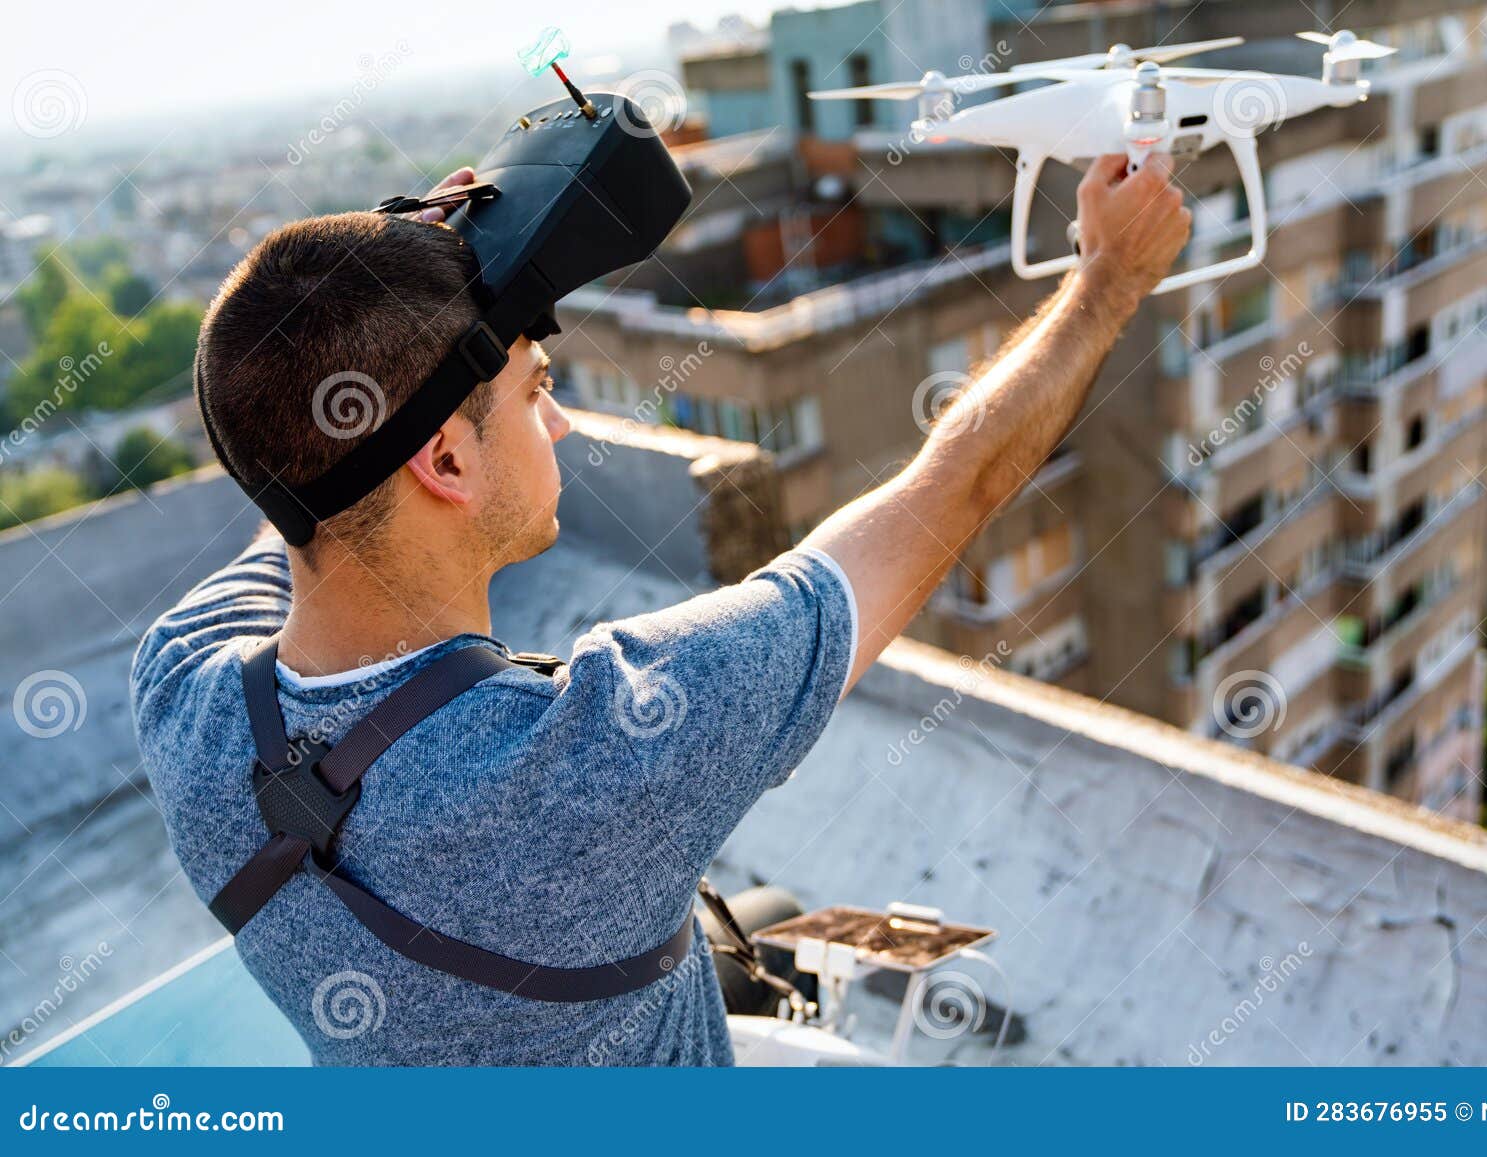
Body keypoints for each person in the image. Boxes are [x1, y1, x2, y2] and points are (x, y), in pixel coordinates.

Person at [132, 153, 1190, 1065]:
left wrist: (388, 281)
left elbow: (302, 458)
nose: (563, 422)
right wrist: (1108, 276)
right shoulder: (598, 756)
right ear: (445, 458)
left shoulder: (181, 691)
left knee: (758, 932)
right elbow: (949, 489)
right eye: (537, 386)